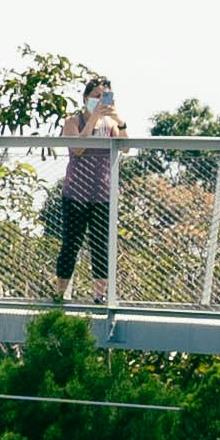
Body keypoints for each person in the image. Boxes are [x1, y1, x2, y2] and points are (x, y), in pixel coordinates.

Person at [43, 75, 127, 288]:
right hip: (76, 193)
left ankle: (100, 295)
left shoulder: (110, 125)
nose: (99, 100)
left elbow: (125, 147)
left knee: (100, 246)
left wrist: (119, 121)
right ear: (85, 98)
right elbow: (78, 148)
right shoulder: (73, 122)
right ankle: (60, 293)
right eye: (96, 96)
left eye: (104, 96)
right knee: (71, 244)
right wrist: (93, 119)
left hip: (102, 193)